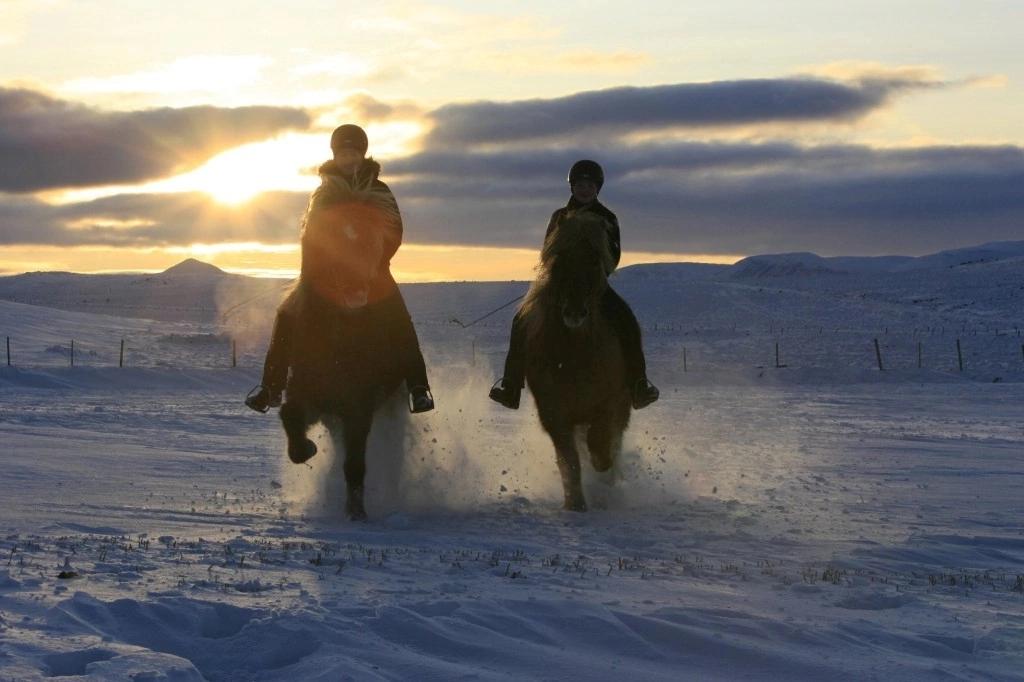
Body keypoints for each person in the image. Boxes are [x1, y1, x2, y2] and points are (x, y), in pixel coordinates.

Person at [245, 124, 434, 414]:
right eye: (344, 152)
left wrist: (376, 262)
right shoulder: (322, 194)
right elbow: (310, 235)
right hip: (325, 274)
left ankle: (418, 388)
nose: (349, 158)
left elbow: (396, 231)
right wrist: (313, 273)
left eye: (354, 152)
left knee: (399, 320)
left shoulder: (380, 190)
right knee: (286, 314)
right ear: (335, 155)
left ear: (362, 154)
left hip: (374, 270)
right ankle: (271, 387)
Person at [488, 159, 659, 410]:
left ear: (597, 188)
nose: (585, 189)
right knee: (521, 321)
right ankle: (511, 386)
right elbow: (546, 252)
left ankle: (638, 385)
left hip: (594, 285)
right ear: (572, 186)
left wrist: (596, 265)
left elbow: (614, 256)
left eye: (589, 185)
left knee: (626, 320)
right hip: (559, 285)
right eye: (580, 184)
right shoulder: (559, 217)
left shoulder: (607, 218)